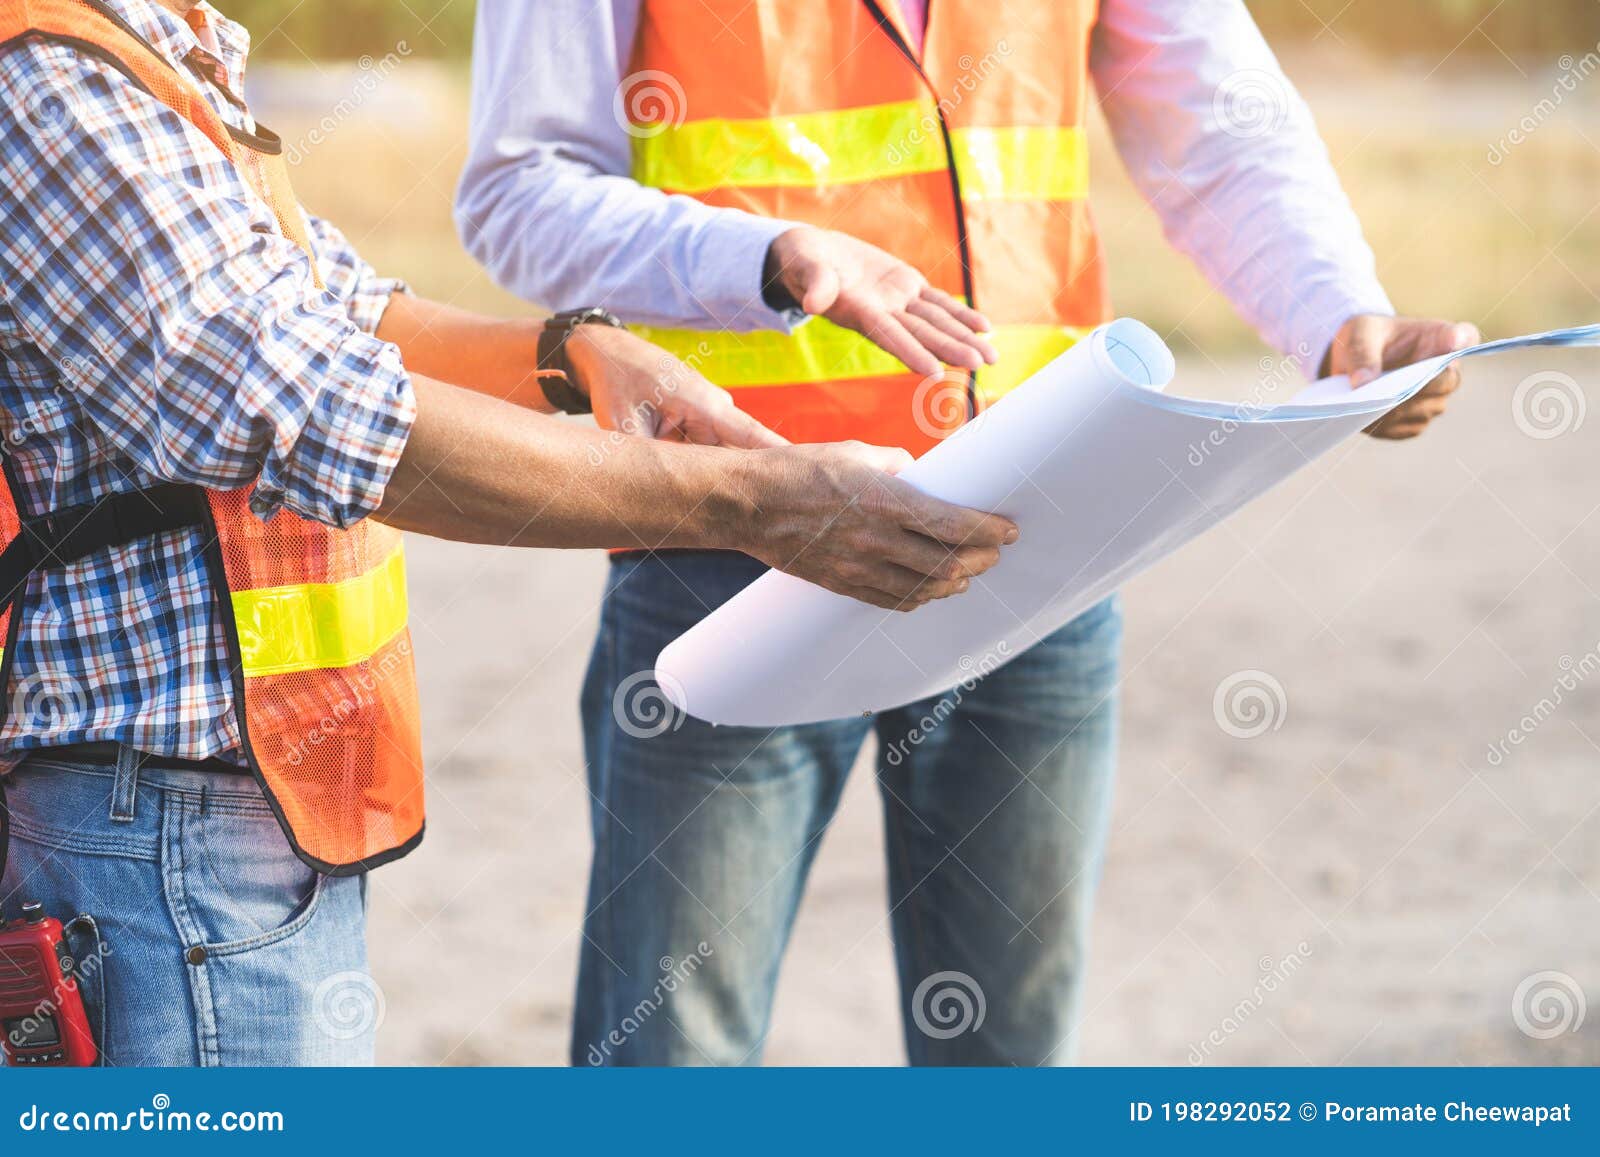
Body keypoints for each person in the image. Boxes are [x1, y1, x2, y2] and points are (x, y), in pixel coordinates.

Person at [457, 0, 1480, 1066]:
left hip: (1040, 542)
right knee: (667, 1053)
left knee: (1010, 1060)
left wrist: (1334, 311)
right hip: (743, 541)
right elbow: (518, 188)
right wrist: (762, 253)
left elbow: (1218, 124)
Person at [0, 0, 1016, 1068]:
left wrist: (572, 353)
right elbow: (313, 408)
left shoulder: (145, 50)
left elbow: (339, 312)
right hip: (160, 825)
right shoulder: (52, 79)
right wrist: (751, 502)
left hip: (225, 808)